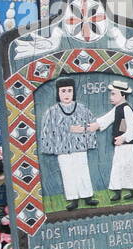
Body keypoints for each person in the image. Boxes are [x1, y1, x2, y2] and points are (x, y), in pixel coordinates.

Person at [38, 78, 98, 210]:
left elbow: (92, 124)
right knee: (68, 173)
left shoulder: (82, 109)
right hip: (62, 149)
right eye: (63, 91)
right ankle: (73, 199)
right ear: (58, 93)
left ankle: (87, 197)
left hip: (79, 147)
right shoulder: (52, 112)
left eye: (69, 91)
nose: (66, 94)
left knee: (83, 171)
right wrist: (50, 146)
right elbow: (47, 131)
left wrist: (84, 132)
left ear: (73, 92)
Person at [87, 81, 133, 201]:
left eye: (114, 94)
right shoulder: (118, 108)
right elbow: (108, 118)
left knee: (129, 167)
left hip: (127, 145)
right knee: (118, 166)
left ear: (123, 95)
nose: (111, 97)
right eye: (111, 94)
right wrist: (97, 125)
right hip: (120, 145)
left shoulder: (126, 109)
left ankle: (131, 191)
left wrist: (124, 138)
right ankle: (117, 192)